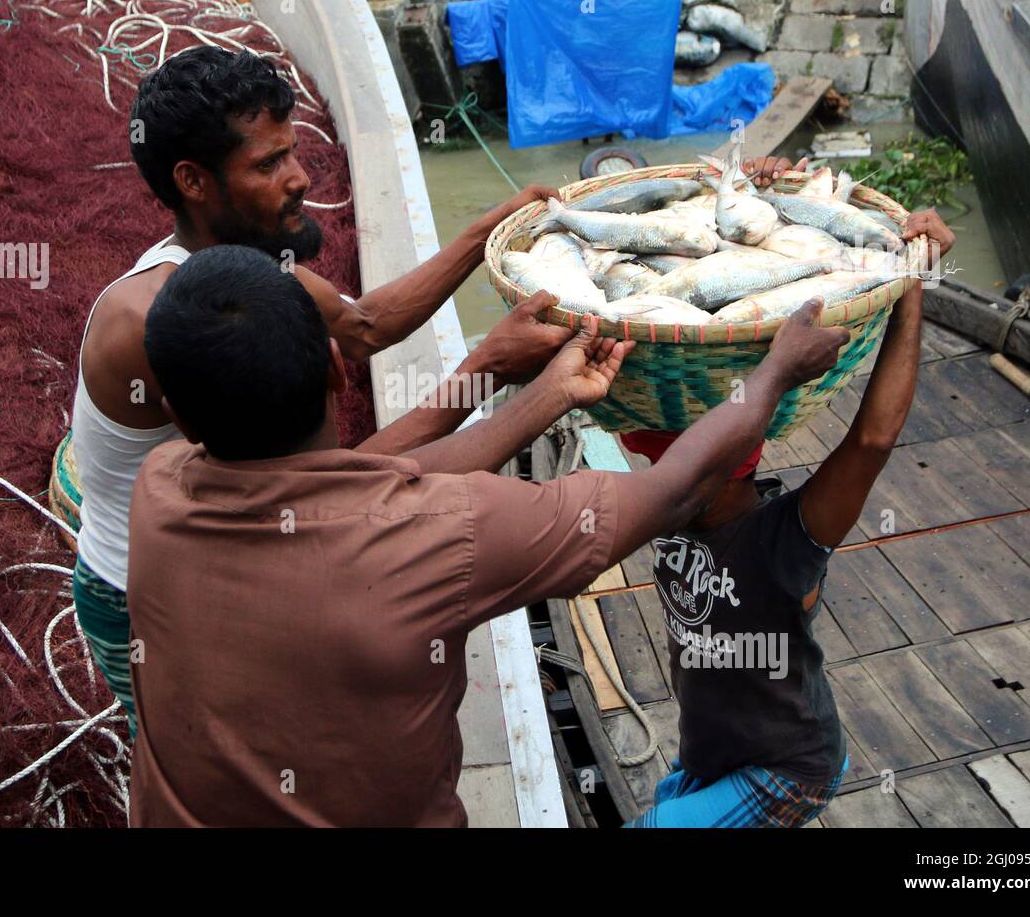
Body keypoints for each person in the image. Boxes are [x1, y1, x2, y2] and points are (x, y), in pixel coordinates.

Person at [125, 244, 848, 826]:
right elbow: (677, 489)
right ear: (340, 376)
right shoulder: (439, 536)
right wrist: (775, 372)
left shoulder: (159, 489)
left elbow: (372, 480)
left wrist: (543, 394)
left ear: (182, 421)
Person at [70, 46, 569, 736]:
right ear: (193, 180)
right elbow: (328, 493)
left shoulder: (244, 278)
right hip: (144, 596)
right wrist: (496, 374)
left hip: (234, 544)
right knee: (208, 770)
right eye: (270, 164)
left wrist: (489, 233)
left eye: (292, 152)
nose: (302, 178)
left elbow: (365, 325)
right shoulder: (163, 325)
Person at [621, 208, 956, 828]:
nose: (652, 480)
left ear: (718, 474)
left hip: (787, 767)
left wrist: (910, 284)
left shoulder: (786, 538)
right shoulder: (671, 509)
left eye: (669, 469)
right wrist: (760, 192)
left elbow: (874, 440)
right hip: (711, 752)